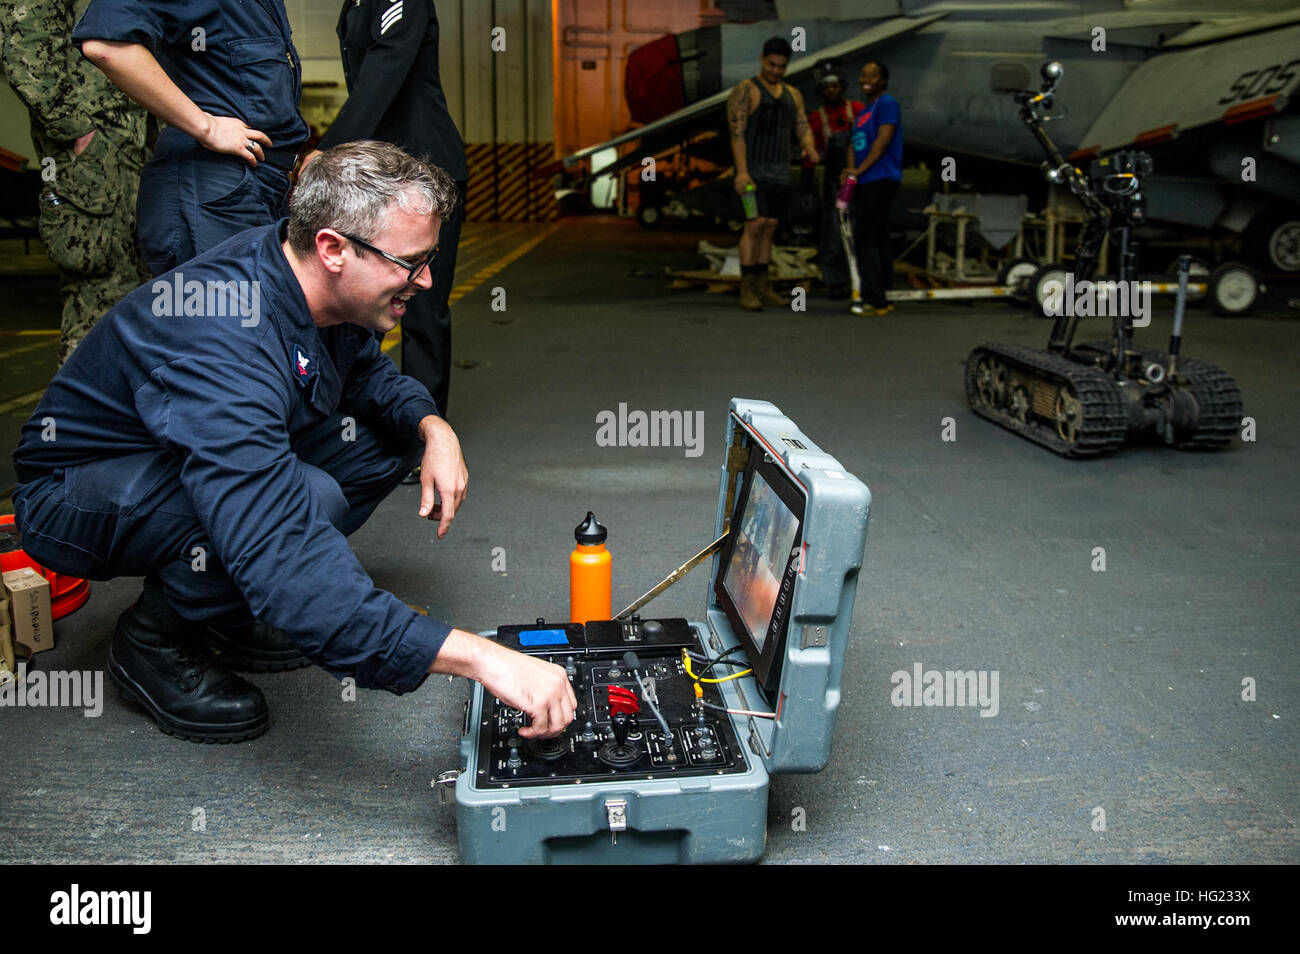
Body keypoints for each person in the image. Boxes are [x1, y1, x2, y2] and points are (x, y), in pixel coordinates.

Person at [11, 142, 576, 744]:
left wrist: (432, 426)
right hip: (75, 492)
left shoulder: (298, 272)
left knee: (388, 440)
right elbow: (280, 545)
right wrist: (481, 658)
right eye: (410, 261)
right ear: (333, 247)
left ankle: (223, 607)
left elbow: (364, 373)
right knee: (308, 501)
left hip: (165, 457)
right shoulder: (224, 341)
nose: (427, 279)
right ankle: (152, 642)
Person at [301, 0, 469, 423]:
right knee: (360, 295)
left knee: (421, 304)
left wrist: (328, 148)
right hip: (378, 171)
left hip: (424, 167)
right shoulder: (354, 3)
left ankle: (421, 427)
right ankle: (358, 415)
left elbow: (384, 70)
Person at [72, 0, 310, 276]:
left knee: (257, 310)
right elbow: (106, 44)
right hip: (215, 184)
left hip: (260, 183)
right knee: (224, 313)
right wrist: (205, 127)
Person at [0, 0, 150, 365]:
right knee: (98, 297)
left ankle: (120, 417)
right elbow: (25, 45)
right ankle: (80, 418)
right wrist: (78, 131)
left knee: (143, 298)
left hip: (143, 148)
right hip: (93, 157)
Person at [726, 36, 818, 312]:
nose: (776, 70)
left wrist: (810, 148)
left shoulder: (794, 94)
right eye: (771, 64)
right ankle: (747, 289)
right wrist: (742, 173)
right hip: (753, 173)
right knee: (754, 226)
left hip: (780, 174)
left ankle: (763, 287)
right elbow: (737, 134)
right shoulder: (745, 90)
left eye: (781, 66)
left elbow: (802, 125)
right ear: (762, 60)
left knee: (770, 228)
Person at [842, 61, 902, 317]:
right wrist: (850, 170)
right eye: (863, 74)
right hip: (866, 179)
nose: (866, 79)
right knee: (877, 237)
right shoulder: (863, 112)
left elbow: (882, 140)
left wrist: (860, 169)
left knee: (864, 236)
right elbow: (854, 144)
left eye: (873, 75)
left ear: (883, 81)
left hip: (881, 177)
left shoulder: (886, 103)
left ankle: (874, 299)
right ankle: (883, 295)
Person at [805, 60, 863, 301]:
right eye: (826, 87)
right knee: (834, 232)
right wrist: (807, 184)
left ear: (842, 87)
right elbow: (812, 153)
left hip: (859, 178)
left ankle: (861, 279)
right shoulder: (817, 118)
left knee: (861, 229)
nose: (831, 91)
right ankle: (835, 280)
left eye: (835, 86)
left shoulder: (858, 110)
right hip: (836, 185)